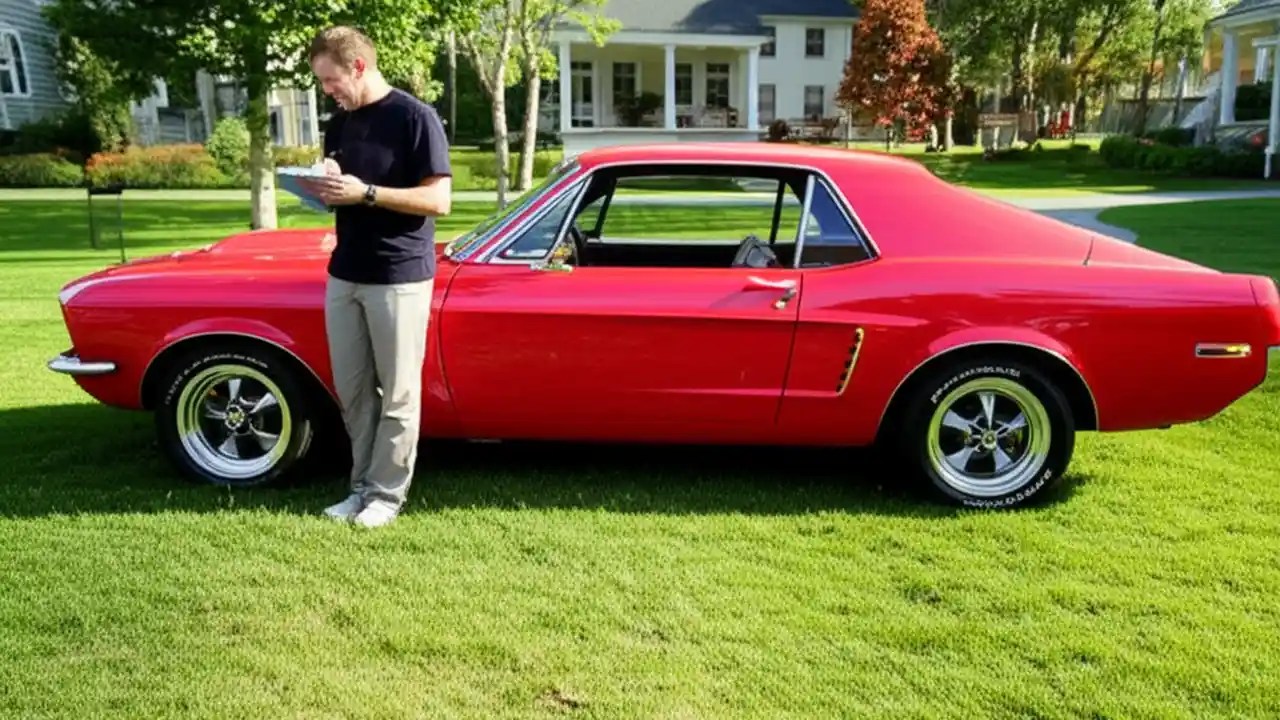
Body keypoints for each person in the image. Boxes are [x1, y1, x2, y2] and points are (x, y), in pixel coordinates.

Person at [304, 25, 452, 528]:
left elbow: (439, 201)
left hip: (399, 276)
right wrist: (322, 185)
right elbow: (343, 190)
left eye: (330, 81)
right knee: (354, 390)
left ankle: (386, 497)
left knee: (399, 392)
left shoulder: (415, 118)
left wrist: (366, 192)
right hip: (345, 272)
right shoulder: (339, 123)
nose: (328, 92)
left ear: (358, 67)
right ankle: (360, 488)